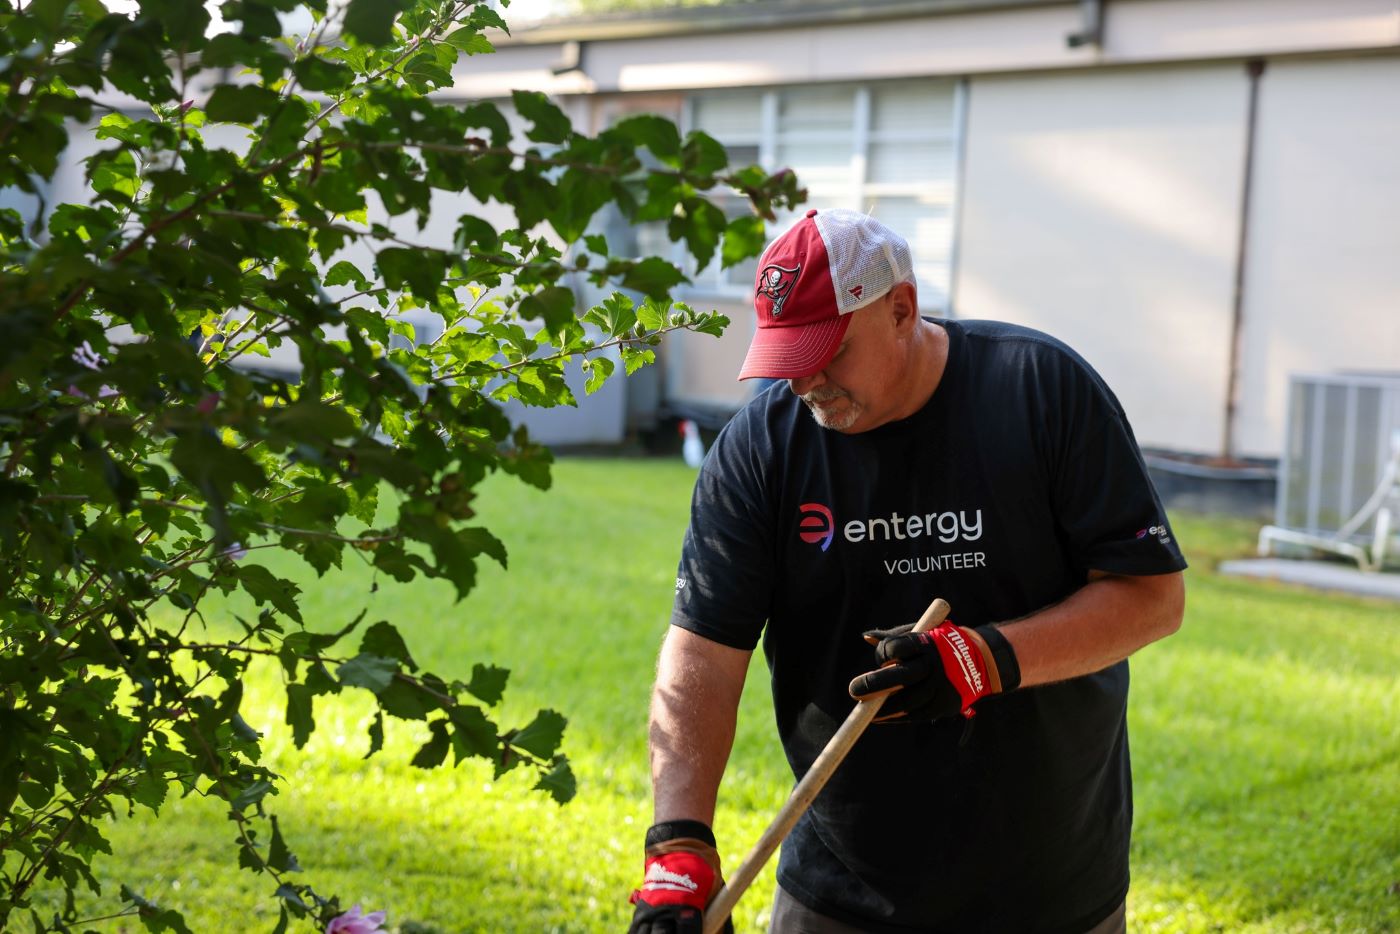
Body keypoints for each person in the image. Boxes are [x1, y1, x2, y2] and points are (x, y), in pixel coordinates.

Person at [627, 209, 1187, 934]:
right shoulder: (764, 446)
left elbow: (1151, 598)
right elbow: (703, 650)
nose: (807, 382)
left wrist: (980, 659)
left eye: (827, 351)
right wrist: (679, 847)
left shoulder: (1042, 389)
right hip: (839, 890)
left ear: (901, 308)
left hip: (1050, 885)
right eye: (788, 357)